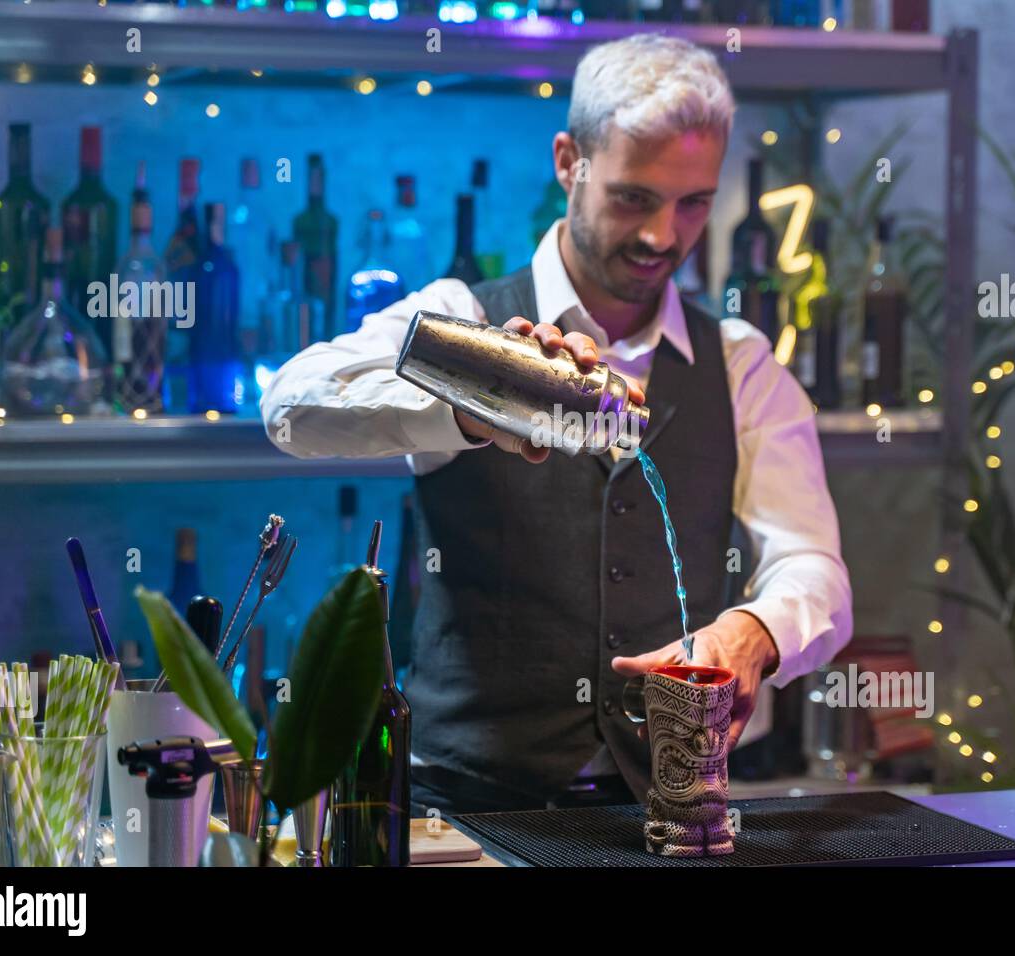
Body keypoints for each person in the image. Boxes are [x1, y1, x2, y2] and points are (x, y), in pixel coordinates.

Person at [261, 33, 853, 814]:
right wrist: (476, 403)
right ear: (570, 161)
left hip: (662, 814)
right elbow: (291, 408)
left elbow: (816, 570)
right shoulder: (465, 319)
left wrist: (754, 632)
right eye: (635, 197)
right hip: (465, 814)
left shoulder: (740, 364)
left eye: (694, 203)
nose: (662, 236)